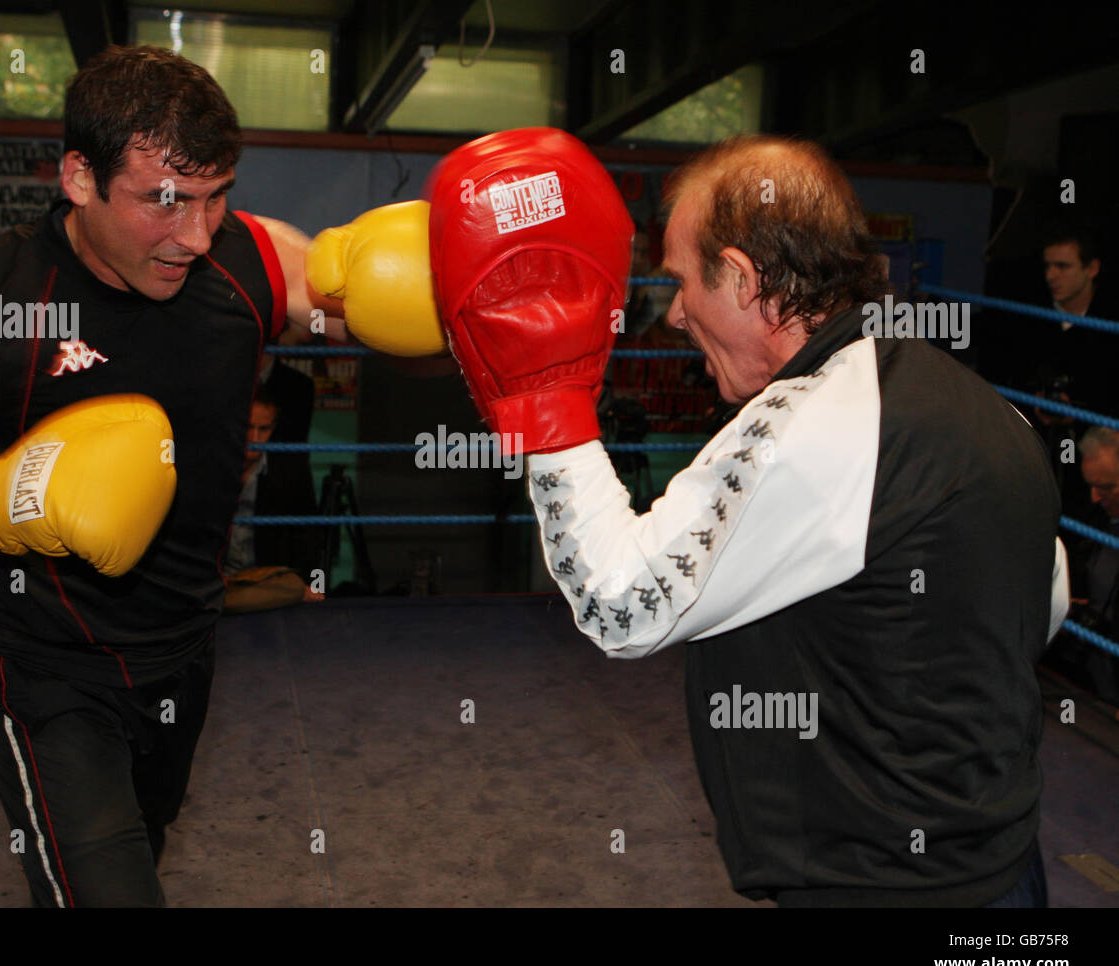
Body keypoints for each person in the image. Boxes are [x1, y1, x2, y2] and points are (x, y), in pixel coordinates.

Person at [429, 129, 1070, 907]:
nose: (670, 316)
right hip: (1006, 876)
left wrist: (547, 402)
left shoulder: (816, 423)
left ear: (738, 277)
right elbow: (1045, 598)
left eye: (680, 283)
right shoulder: (985, 408)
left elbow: (619, 604)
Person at [0, 45, 351, 907]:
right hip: (43, 669)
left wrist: (465, 295)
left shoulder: (249, 260)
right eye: (165, 201)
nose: (196, 235)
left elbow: (392, 328)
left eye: (215, 197)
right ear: (78, 176)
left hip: (184, 654)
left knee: (132, 865)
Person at [222, 393, 324, 613]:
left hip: (266, 582)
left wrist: (308, 586)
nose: (254, 437)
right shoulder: (217, 466)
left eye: (263, 429)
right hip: (220, 580)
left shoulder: (289, 471)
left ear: (274, 428)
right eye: (248, 427)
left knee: (290, 587)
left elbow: (307, 537)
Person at [1073, 427, 1119, 705]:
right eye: (1091, 485)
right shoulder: (1095, 515)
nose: (1094, 497)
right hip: (1093, 681)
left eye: (1105, 487)